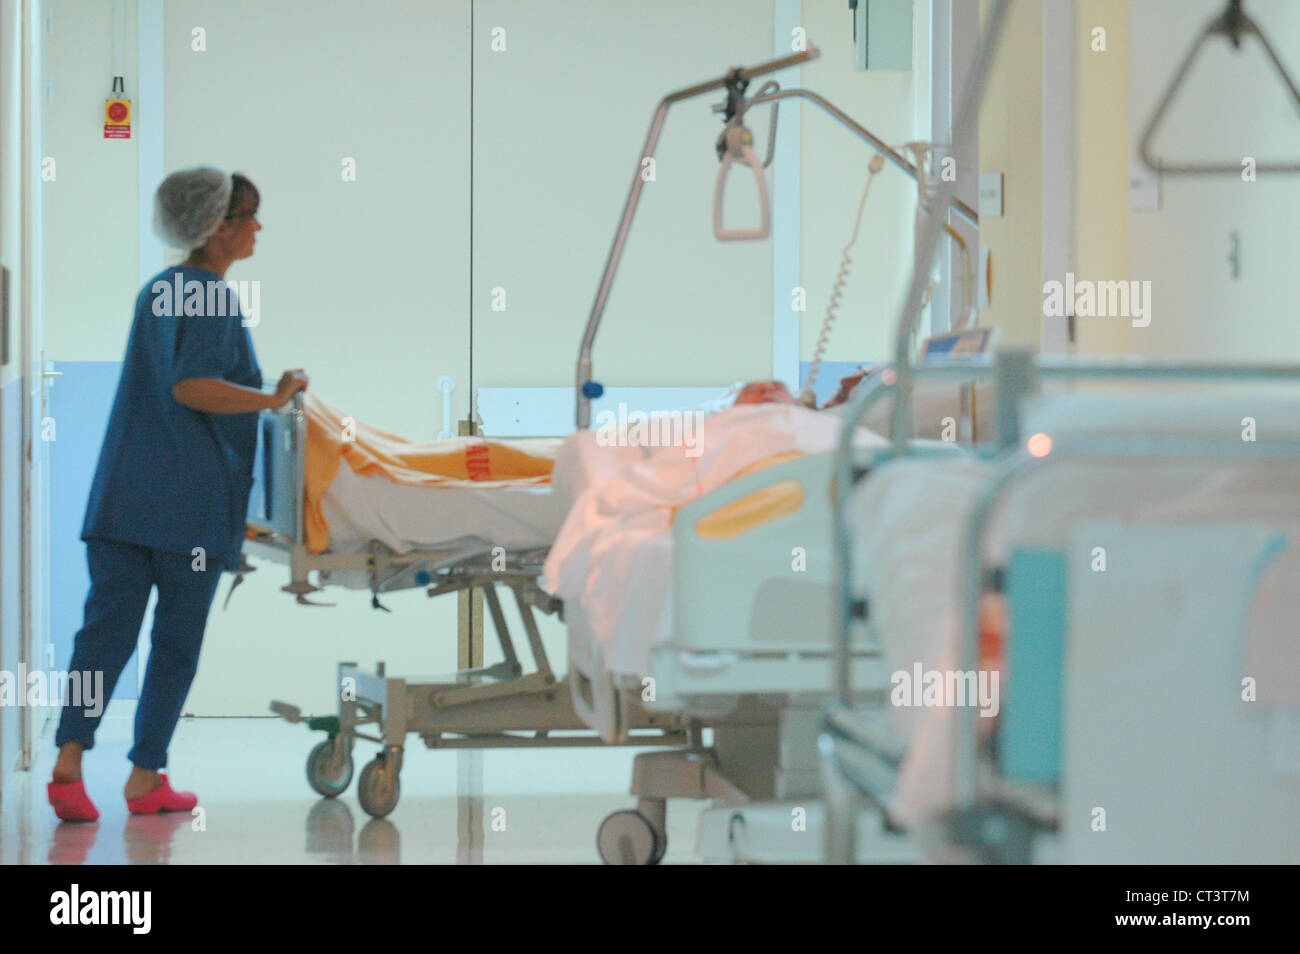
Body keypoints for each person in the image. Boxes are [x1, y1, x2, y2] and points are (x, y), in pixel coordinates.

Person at [46, 167, 309, 822]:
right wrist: (272, 397)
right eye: (249, 218)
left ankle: (70, 765)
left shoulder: (158, 291)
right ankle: (144, 775)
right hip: (186, 511)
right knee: (175, 644)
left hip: (123, 503)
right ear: (219, 228)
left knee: (103, 636)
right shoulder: (213, 298)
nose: (257, 229)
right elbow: (192, 388)